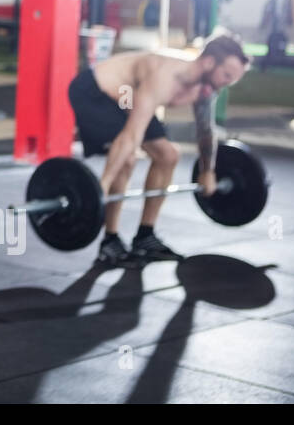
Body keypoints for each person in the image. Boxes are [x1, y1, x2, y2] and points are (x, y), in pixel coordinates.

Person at [66, 33, 249, 266]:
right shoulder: (165, 76)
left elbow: (206, 131)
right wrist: (99, 188)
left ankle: (145, 237)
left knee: (168, 155)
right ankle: (109, 241)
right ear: (208, 62)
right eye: (226, 76)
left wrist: (208, 172)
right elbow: (132, 135)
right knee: (127, 158)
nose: (226, 83)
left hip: (129, 96)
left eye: (232, 80)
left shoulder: (204, 88)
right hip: (95, 90)